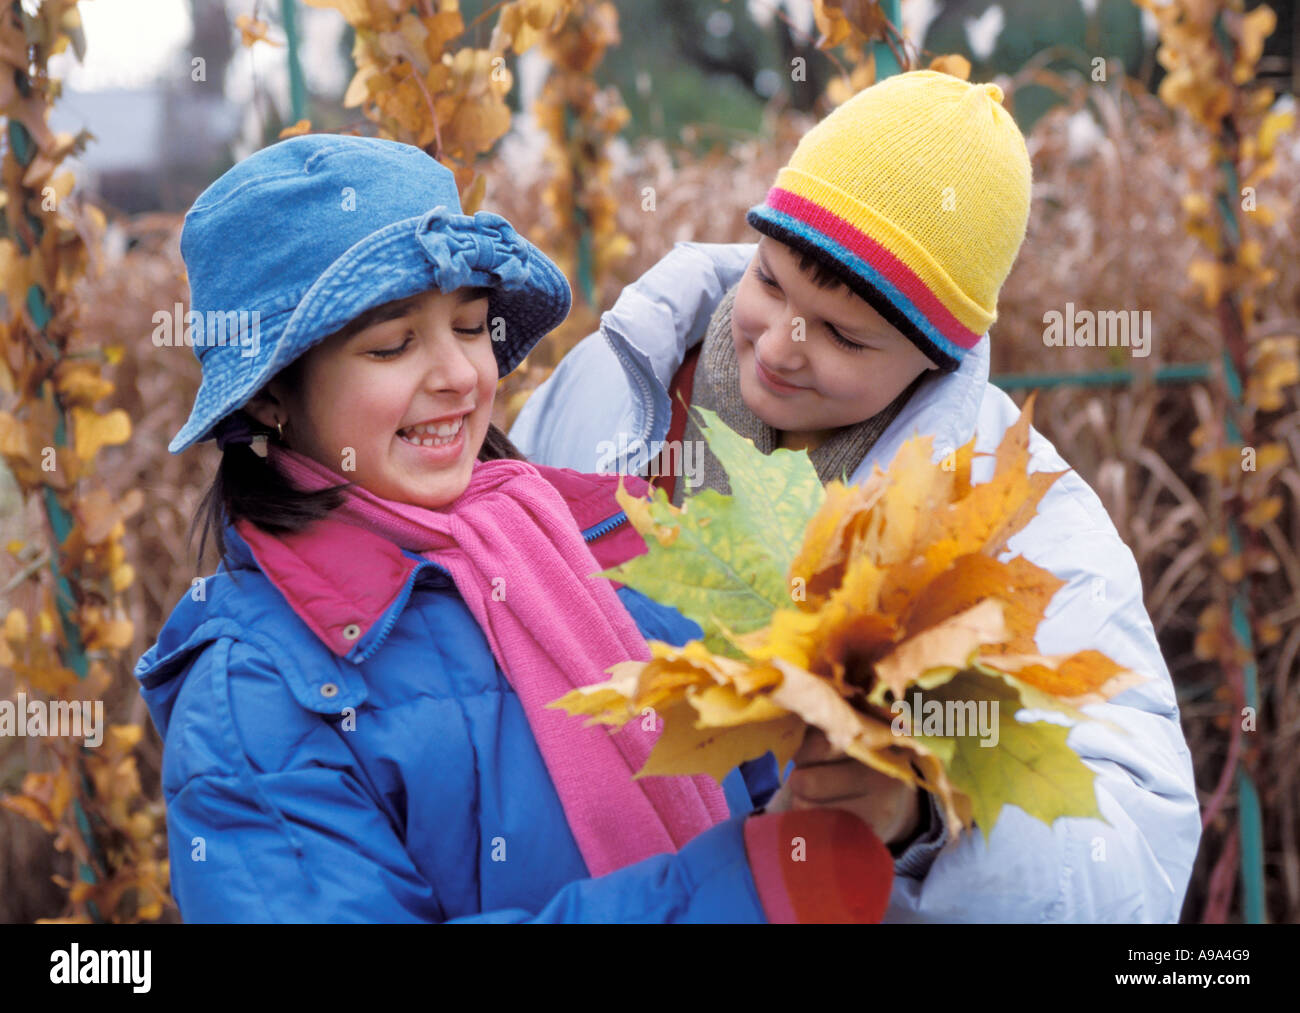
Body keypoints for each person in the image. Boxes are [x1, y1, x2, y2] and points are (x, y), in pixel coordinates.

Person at [133, 133, 907, 923]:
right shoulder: (254, 696)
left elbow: (766, 780)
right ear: (269, 398)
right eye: (393, 343)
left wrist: (884, 804)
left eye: (470, 327)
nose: (462, 376)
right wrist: (743, 889)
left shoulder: (611, 535)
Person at [509, 71, 1203, 922]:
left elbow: (1131, 861)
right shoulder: (616, 383)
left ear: (936, 356)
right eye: (768, 282)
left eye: (841, 334)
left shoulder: (1018, 524)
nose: (780, 347)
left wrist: (928, 820)